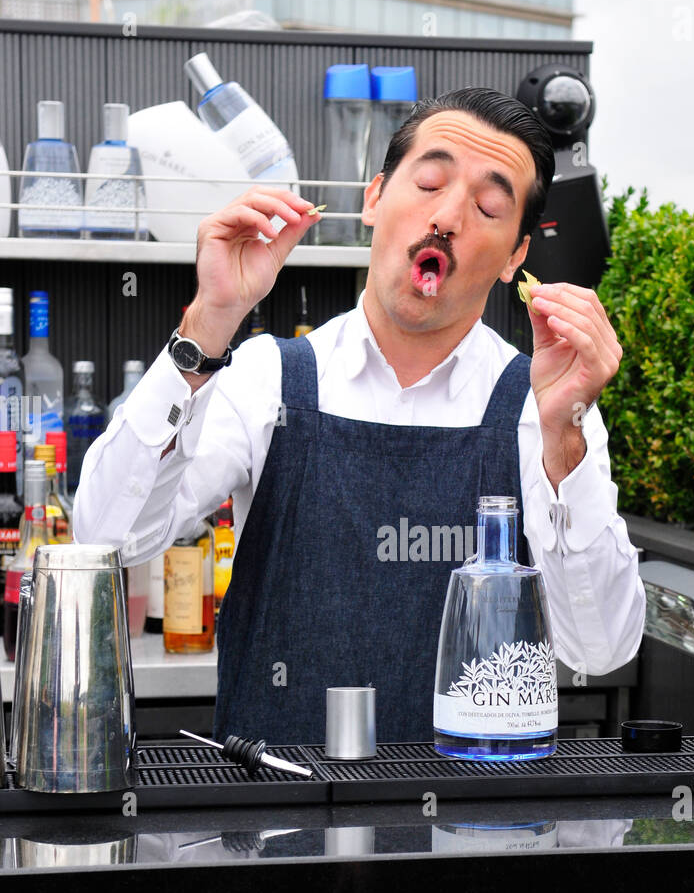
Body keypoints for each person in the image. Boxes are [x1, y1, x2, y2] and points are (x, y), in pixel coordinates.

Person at [74, 87, 645, 744]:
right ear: (374, 199)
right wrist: (208, 322)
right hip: (273, 823)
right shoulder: (266, 378)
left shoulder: (542, 407)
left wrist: (563, 436)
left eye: (488, 205)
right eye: (429, 182)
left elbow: (598, 650)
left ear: (516, 256)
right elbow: (106, 539)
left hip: (475, 826)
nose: (449, 215)